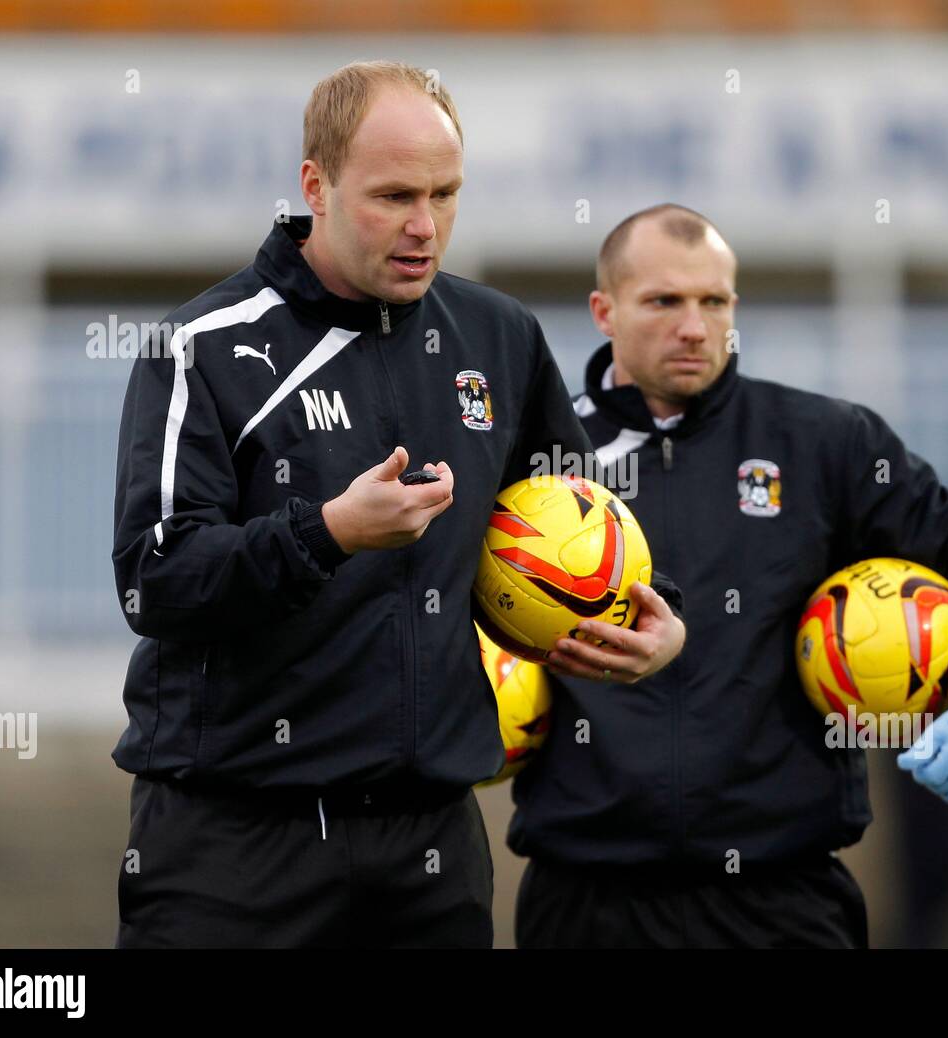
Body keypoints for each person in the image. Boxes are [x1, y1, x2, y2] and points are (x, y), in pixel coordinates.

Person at [110, 62, 684, 949]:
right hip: (232, 845)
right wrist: (327, 532)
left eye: (446, 194)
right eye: (393, 197)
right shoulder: (202, 345)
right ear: (316, 186)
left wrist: (655, 616)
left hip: (429, 848)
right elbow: (156, 580)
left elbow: (582, 518)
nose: (425, 227)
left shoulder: (498, 335)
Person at [510, 204, 948, 948]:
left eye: (715, 301)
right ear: (604, 310)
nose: (695, 326)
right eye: (665, 300)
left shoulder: (826, 444)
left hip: (781, 901)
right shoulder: (538, 462)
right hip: (588, 901)